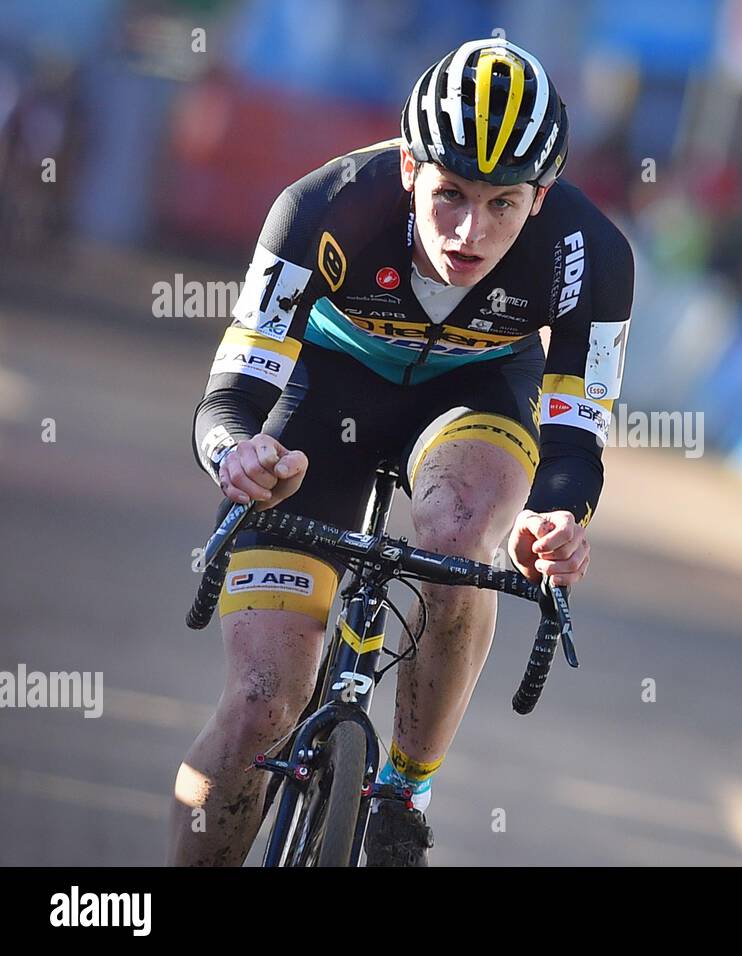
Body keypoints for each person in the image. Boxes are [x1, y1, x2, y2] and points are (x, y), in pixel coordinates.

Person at [167, 37, 634, 866]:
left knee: (459, 537)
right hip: (326, 393)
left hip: (478, 393)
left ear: (544, 195)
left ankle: (405, 795)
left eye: (503, 204)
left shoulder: (586, 254)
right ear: (411, 169)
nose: (469, 230)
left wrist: (561, 513)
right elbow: (232, 396)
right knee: (259, 707)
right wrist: (236, 452)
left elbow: (573, 435)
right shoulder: (321, 207)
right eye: (451, 193)